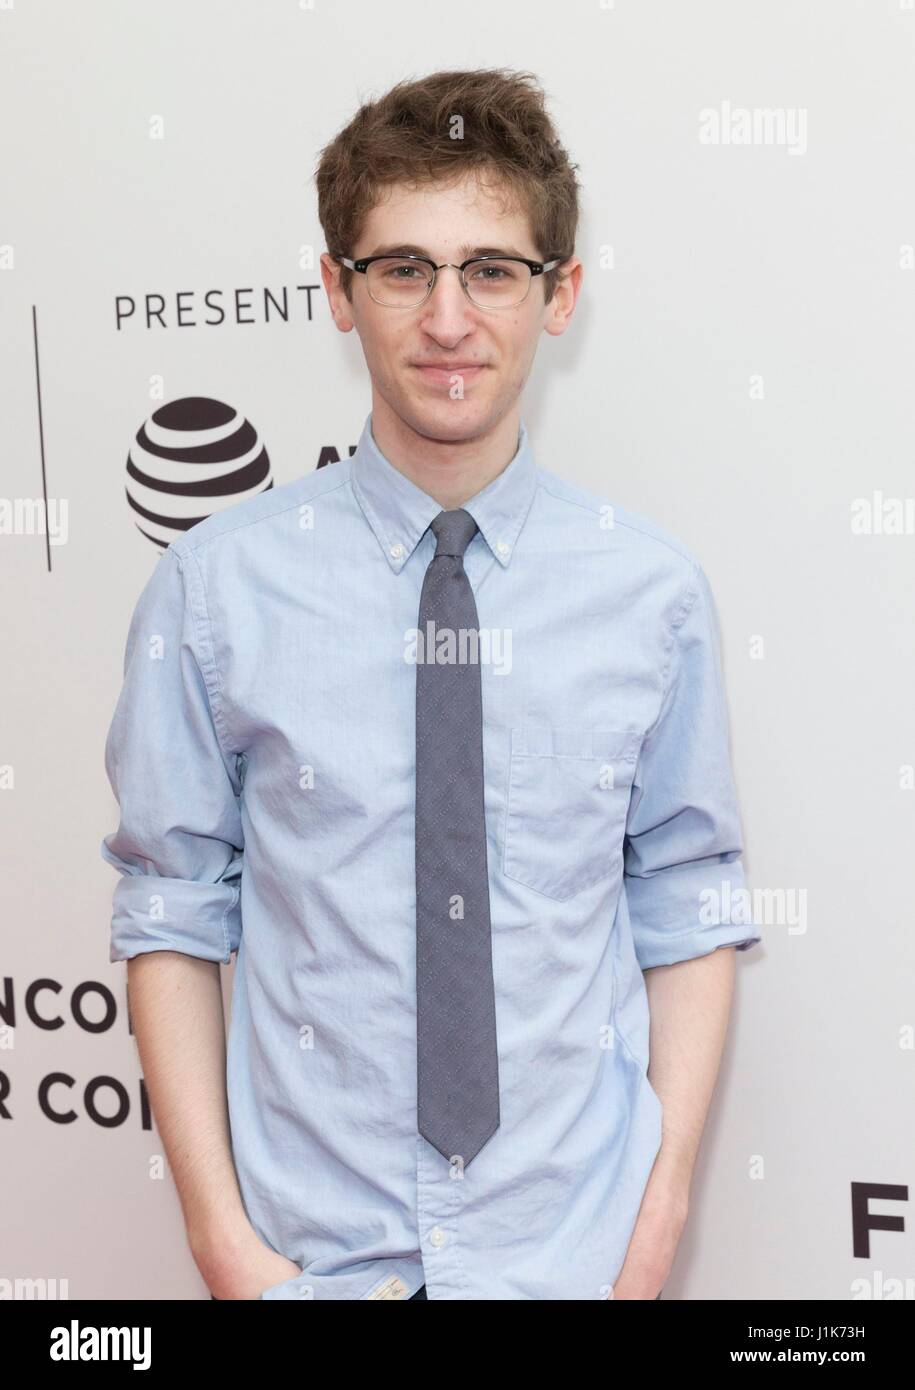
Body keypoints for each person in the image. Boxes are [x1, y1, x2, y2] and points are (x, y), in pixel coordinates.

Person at [100, 67, 761, 1301]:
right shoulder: (213, 591)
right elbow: (173, 912)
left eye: (491, 269)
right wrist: (225, 1249)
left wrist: (654, 1218)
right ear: (337, 292)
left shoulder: (652, 595)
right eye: (402, 268)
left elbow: (687, 900)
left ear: (559, 294)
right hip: (315, 1267)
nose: (447, 318)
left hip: (575, 1259)